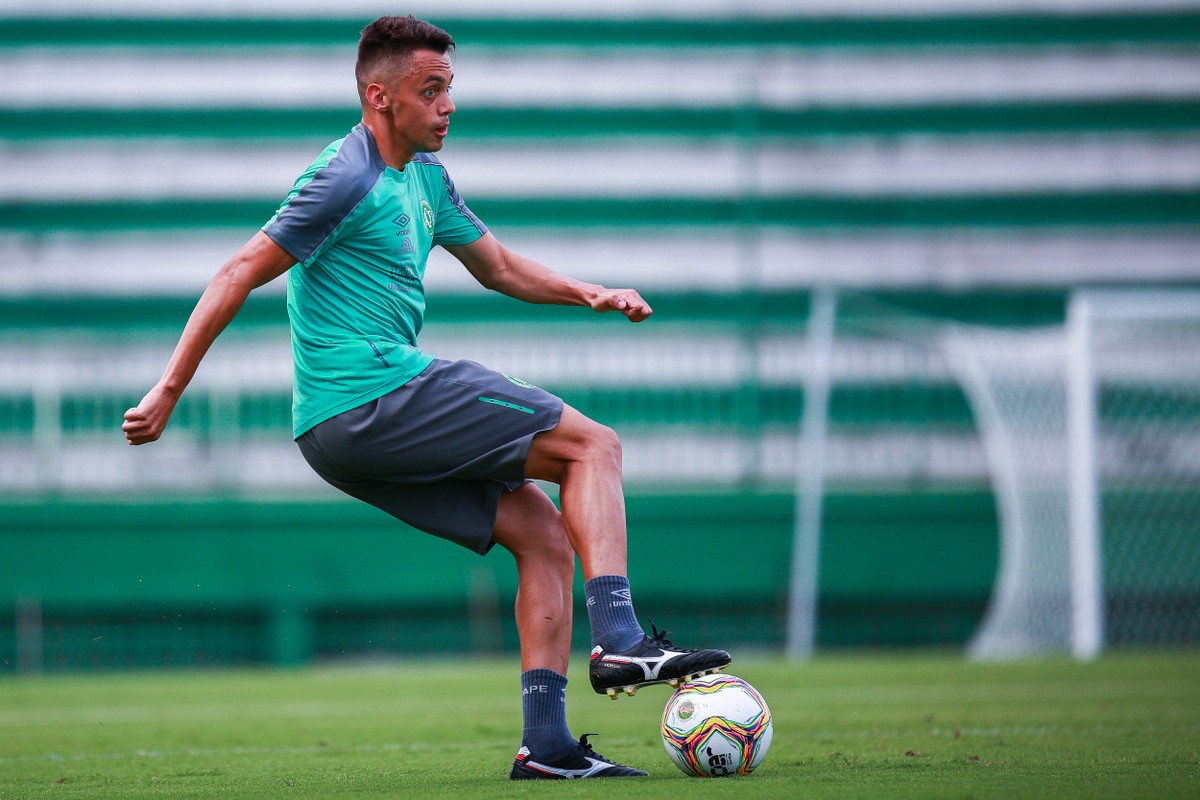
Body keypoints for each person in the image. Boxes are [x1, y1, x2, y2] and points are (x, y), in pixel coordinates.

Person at [122, 15, 730, 780]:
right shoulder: (347, 175)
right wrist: (169, 389)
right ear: (380, 98)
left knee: (543, 537)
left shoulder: (427, 178)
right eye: (430, 89)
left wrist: (593, 293)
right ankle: (620, 638)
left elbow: (500, 267)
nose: (447, 105)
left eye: (449, 89)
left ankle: (545, 747)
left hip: (336, 435)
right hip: (374, 392)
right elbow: (238, 269)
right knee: (593, 444)